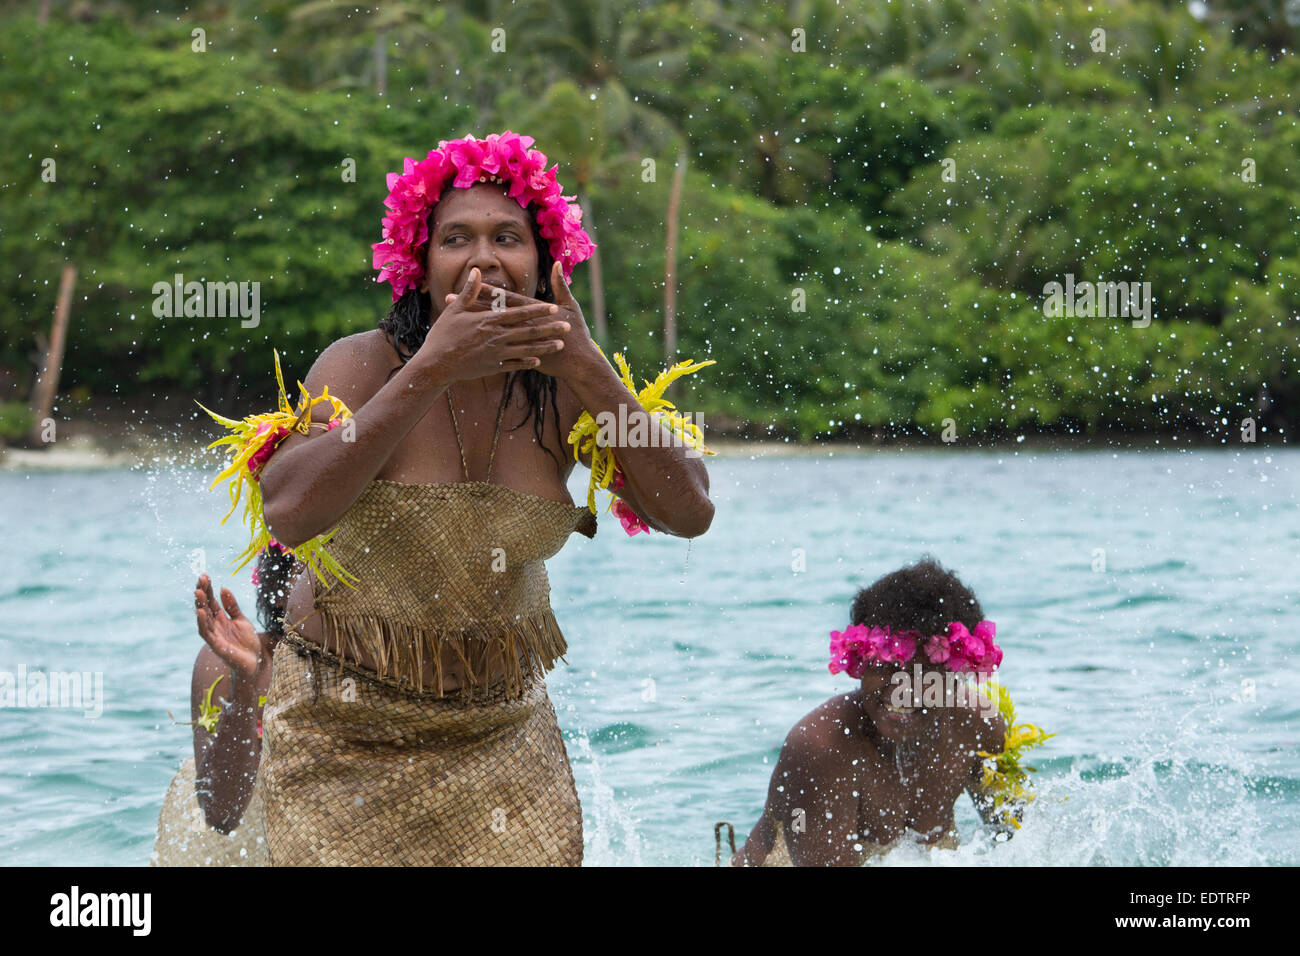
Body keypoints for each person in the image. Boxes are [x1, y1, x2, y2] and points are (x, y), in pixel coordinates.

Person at [254, 130, 714, 865]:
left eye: (508, 237)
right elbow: (290, 508)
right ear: (420, 264)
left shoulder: (569, 389)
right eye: (455, 238)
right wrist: (428, 371)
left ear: (544, 262)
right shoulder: (361, 365)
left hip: (503, 735)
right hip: (341, 727)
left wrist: (591, 369)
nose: (483, 257)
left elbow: (690, 512)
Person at [732, 557, 1013, 866]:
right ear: (860, 662)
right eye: (886, 666)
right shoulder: (822, 748)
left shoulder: (978, 729)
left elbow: (1019, 843)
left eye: (924, 675)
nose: (903, 689)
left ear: (956, 673)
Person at [151, 543, 296, 866]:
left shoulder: (379, 656)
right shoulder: (238, 661)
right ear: (280, 588)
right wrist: (245, 681)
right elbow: (221, 814)